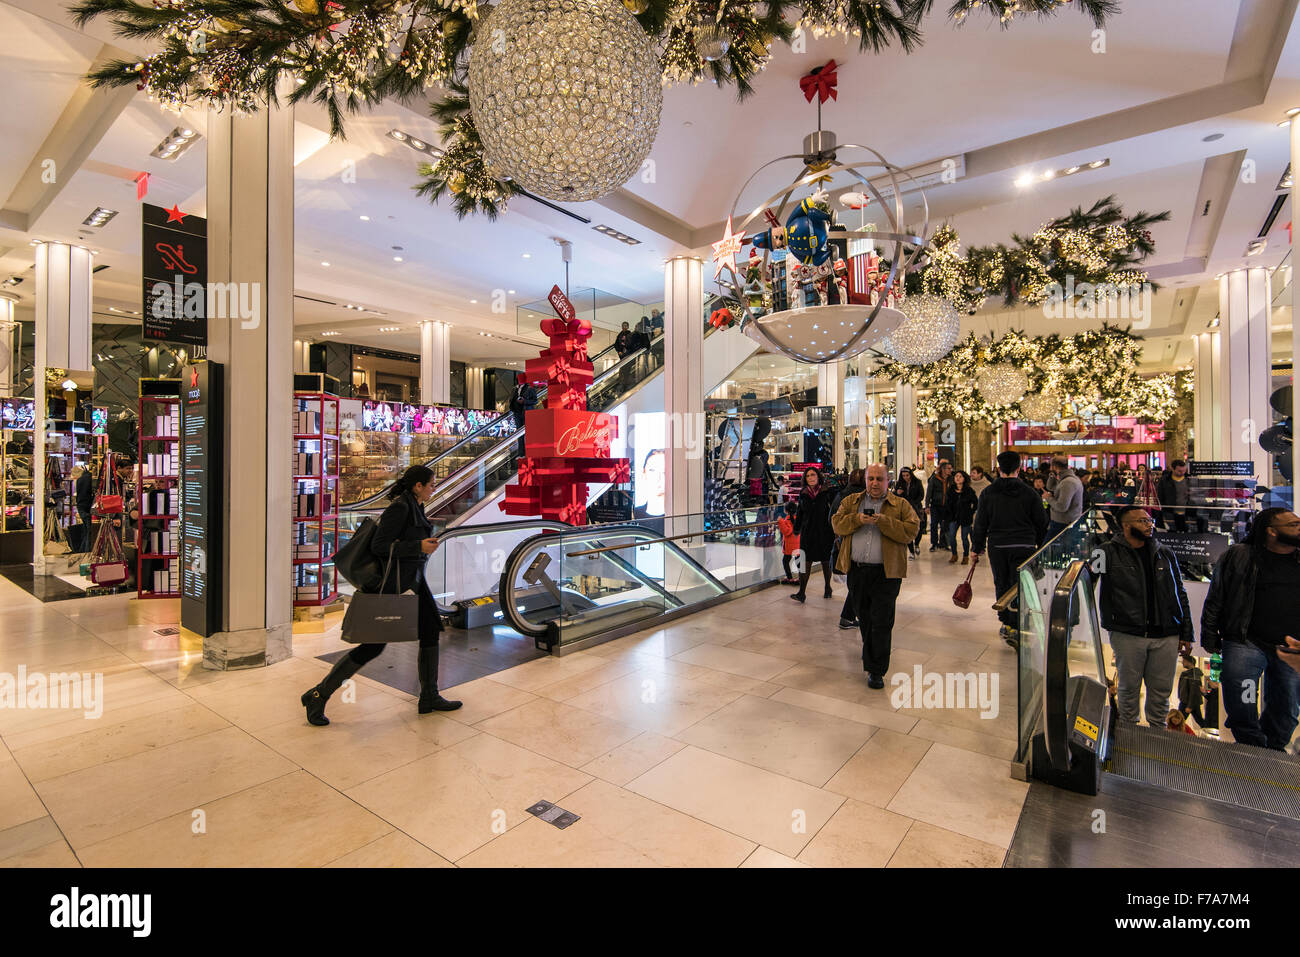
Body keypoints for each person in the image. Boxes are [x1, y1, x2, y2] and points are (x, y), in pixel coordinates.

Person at [301, 465, 462, 725]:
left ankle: (430, 695)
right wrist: (417, 546)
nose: (435, 488)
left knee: (431, 631)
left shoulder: (415, 505)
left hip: (412, 584)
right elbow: (379, 546)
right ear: (417, 486)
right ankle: (319, 694)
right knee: (373, 646)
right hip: (394, 588)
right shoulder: (400, 508)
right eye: (431, 484)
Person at [1201, 508, 1300, 751]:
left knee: (1286, 707)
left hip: (1291, 647)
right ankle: (1251, 748)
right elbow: (1216, 597)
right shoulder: (1240, 555)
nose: (1299, 528)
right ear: (1271, 531)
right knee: (1242, 699)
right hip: (1246, 642)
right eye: (1294, 524)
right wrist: (1210, 632)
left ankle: (1273, 751)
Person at [1094, 505, 1195, 728]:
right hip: (1128, 632)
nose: (1149, 525)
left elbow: (1179, 593)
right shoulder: (1106, 552)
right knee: (1128, 689)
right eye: (1142, 521)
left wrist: (1186, 632)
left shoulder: (1164, 553)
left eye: (1150, 521)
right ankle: (1128, 733)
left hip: (1166, 632)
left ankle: (1156, 735)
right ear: (1126, 526)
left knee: (1161, 691)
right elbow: (1087, 580)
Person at [831, 464, 921, 689]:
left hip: (887, 573)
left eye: (879, 479)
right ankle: (871, 653)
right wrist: (857, 520)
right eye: (871, 478)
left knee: (882, 621)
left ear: (888, 480)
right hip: (858, 571)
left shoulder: (899, 505)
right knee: (865, 618)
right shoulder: (852, 502)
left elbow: (911, 531)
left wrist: (883, 521)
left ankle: (876, 670)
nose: (874, 483)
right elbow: (836, 524)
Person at [971, 450, 1048, 645]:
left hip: (998, 546)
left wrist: (976, 547)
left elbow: (981, 522)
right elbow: (1041, 522)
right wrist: (1040, 545)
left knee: (1002, 583)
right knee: (1021, 585)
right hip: (1024, 545)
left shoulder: (989, 492)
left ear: (998, 469)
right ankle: (1021, 622)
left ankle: (1007, 623)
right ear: (1018, 468)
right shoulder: (1030, 492)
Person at [790, 467, 835, 603]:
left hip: (824, 532)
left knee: (826, 561)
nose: (810, 478)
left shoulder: (827, 492)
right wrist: (796, 529)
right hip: (808, 533)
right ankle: (802, 592)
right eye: (808, 475)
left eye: (813, 475)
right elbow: (800, 512)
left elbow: (833, 511)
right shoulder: (803, 493)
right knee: (805, 562)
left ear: (818, 476)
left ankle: (828, 587)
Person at [831, 468, 865, 628]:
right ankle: (849, 616)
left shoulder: (842, 495)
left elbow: (831, 519)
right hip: (855, 544)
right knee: (858, 583)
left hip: (845, 542)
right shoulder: (859, 498)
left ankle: (848, 616)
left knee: (856, 582)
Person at [1044, 455, 1084, 540]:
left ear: (1054, 466)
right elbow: (1050, 487)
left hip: (1062, 523)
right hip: (1067, 521)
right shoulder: (1069, 479)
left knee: (1047, 550)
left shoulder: (1067, 482)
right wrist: (1052, 476)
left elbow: (1062, 507)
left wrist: (1048, 498)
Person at [943, 469, 978, 565]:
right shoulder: (951, 490)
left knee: (964, 538)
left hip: (965, 517)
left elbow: (976, 503)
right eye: (956, 477)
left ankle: (965, 556)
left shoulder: (969, 490)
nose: (957, 478)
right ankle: (954, 554)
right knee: (952, 536)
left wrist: (971, 512)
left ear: (964, 479)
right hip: (953, 517)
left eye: (960, 476)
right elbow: (947, 503)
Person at [894, 466, 925, 557]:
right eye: (903, 475)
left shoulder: (917, 482)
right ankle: (911, 551)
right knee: (907, 529)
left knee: (919, 527)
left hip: (916, 508)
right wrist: (897, 493)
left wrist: (914, 502)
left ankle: (917, 544)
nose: (906, 477)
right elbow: (895, 496)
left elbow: (921, 495)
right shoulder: (899, 484)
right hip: (904, 509)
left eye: (907, 475)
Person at [1158, 459, 1192, 531]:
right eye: (1179, 471)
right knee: (1172, 531)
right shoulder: (1164, 480)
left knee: (1186, 531)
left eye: (1184, 471)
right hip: (1169, 511)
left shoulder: (1189, 479)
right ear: (1172, 469)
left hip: (1186, 512)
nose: (1182, 473)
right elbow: (1160, 495)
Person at [924, 459, 951, 552]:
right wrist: (927, 506)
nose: (950, 470)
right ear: (943, 469)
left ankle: (944, 543)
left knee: (945, 525)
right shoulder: (934, 479)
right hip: (936, 505)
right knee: (934, 525)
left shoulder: (950, 479)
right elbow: (929, 493)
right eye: (948, 468)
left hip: (947, 506)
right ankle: (934, 543)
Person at [509, 373, 535, 461]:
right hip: (517, 413)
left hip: (526, 413)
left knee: (527, 434)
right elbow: (511, 399)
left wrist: (525, 401)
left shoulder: (530, 388)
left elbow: (535, 400)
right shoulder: (514, 389)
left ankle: (528, 453)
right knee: (519, 434)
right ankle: (521, 453)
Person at [1177, 654, 1207, 729]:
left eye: (1184, 661)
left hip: (1187, 702)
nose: (1183, 662)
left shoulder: (1193, 674)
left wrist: (1190, 706)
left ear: (1189, 662)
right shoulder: (1188, 674)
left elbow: (1194, 691)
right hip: (1188, 701)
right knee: (1200, 721)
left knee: (1178, 720)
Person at [778, 501, 800, 585]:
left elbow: (787, 531)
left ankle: (789, 578)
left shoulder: (787, 519)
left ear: (786, 511)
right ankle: (800, 578)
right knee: (799, 562)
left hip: (790, 545)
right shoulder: (798, 518)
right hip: (798, 544)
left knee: (785, 561)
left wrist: (780, 521)